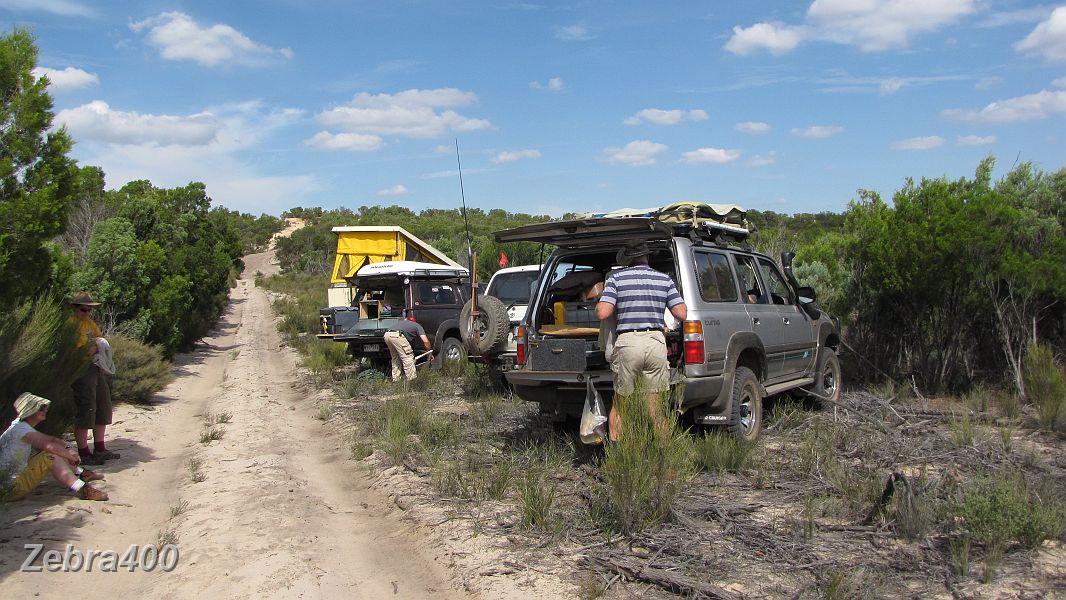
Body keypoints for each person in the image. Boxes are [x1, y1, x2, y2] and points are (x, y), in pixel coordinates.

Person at [595, 242, 687, 442]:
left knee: (620, 407)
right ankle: (663, 456)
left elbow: (603, 313)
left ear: (628, 259)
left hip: (629, 343)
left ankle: (618, 454)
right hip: (655, 342)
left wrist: (600, 304)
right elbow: (681, 313)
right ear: (648, 257)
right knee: (656, 410)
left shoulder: (616, 279)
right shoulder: (665, 280)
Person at [0, 392, 108, 502]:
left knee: (53, 453)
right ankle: (83, 489)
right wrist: (71, 457)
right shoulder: (23, 431)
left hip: (6, 485)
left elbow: (52, 440)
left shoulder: (19, 425)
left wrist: (68, 449)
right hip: (10, 489)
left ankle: (82, 474)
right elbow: (50, 446)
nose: (45, 410)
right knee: (50, 457)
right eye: (41, 408)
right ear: (30, 410)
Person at [69, 292, 119, 465]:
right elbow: (84, 350)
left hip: (95, 367)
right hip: (82, 369)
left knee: (103, 404)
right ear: (75, 309)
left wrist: (97, 346)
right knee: (86, 407)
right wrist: (95, 346)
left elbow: (99, 339)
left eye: (89, 310)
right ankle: (84, 453)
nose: (87, 313)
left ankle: (100, 448)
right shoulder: (71, 325)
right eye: (84, 310)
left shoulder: (89, 323)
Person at [382, 315, 433, 383]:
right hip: (397, 335)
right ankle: (412, 380)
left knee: (395, 358)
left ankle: (396, 380)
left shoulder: (401, 323)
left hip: (387, 335)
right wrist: (429, 353)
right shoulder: (417, 325)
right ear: (414, 321)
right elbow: (426, 342)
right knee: (408, 357)